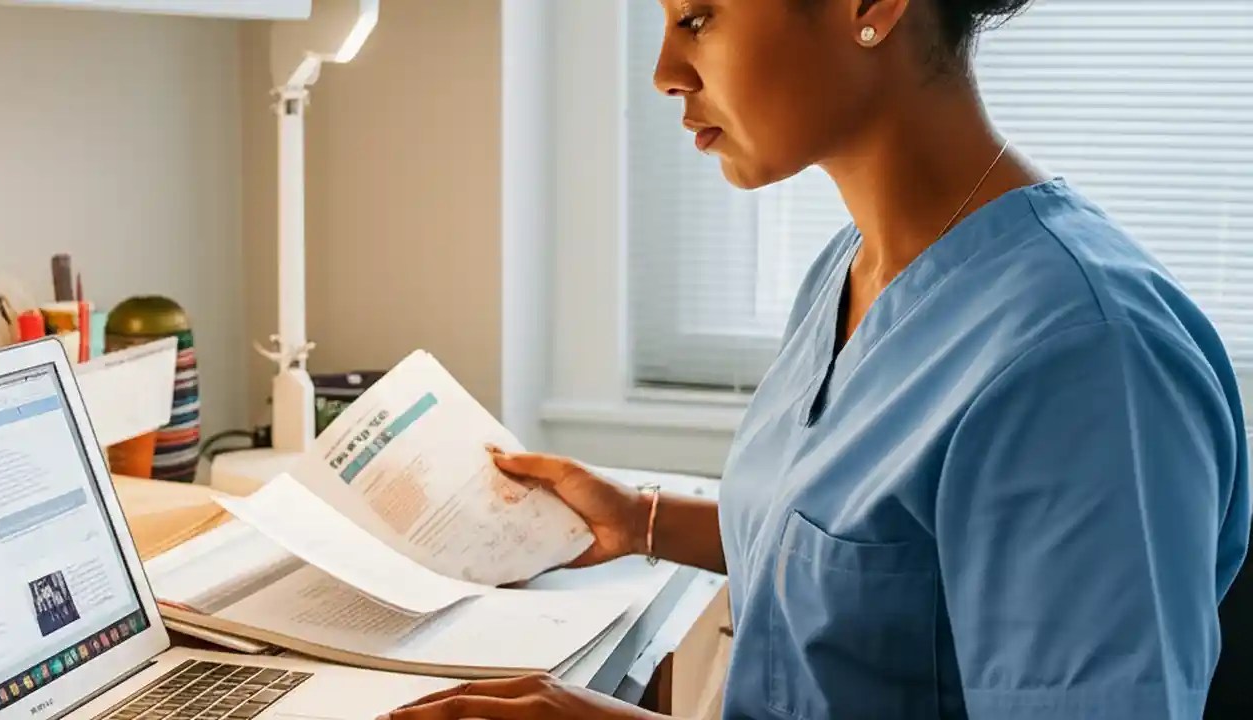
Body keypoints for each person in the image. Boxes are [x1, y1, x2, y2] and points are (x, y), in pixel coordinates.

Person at [385, 0, 1250, 717]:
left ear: (869, 6)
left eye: (698, 18)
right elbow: (870, 555)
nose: (663, 73)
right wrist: (638, 519)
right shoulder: (853, 266)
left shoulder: (1084, 362)